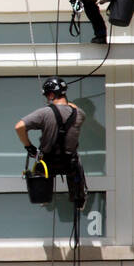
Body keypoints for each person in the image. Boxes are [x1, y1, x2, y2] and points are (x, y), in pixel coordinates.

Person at [15, 77, 87, 208]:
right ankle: (79, 198)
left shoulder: (45, 113)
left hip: (47, 163)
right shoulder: (79, 114)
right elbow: (73, 107)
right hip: (69, 162)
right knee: (77, 162)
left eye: (48, 95)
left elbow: (19, 127)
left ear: (52, 94)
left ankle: (43, 198)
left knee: (39, 167)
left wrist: (29, 147)